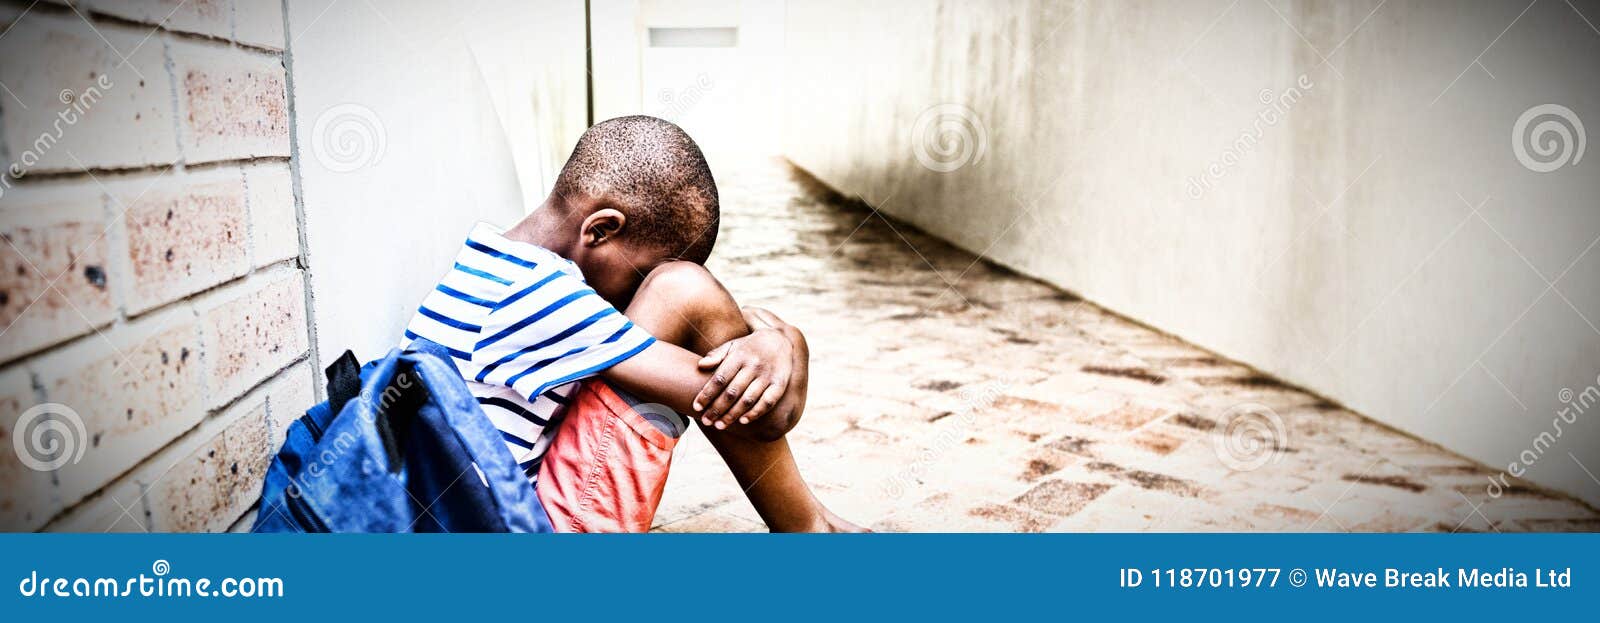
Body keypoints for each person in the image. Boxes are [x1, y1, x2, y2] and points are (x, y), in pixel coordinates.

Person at [401, 115, 860, 532]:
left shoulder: (494, 263)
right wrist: (787, 342)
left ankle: (811, 525)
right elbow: (767, 414)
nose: (633, 295)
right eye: (641, 274)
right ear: (600, 230)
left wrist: (766, 344)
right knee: (685, 291)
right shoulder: (544, 297)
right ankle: (807, 531)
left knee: (698, 317)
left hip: (478, 517)